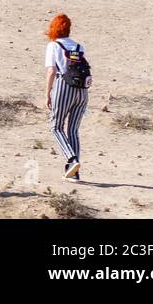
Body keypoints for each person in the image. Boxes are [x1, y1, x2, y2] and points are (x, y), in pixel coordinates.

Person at [45, 13, 91, 181]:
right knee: (72, 129)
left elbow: (52, 71)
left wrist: (47, 93)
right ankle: (74, 173)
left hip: (64, 88)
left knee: (56, 126)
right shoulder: (79, 46)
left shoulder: (54, 45)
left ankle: (72, 160)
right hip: (82, 91)